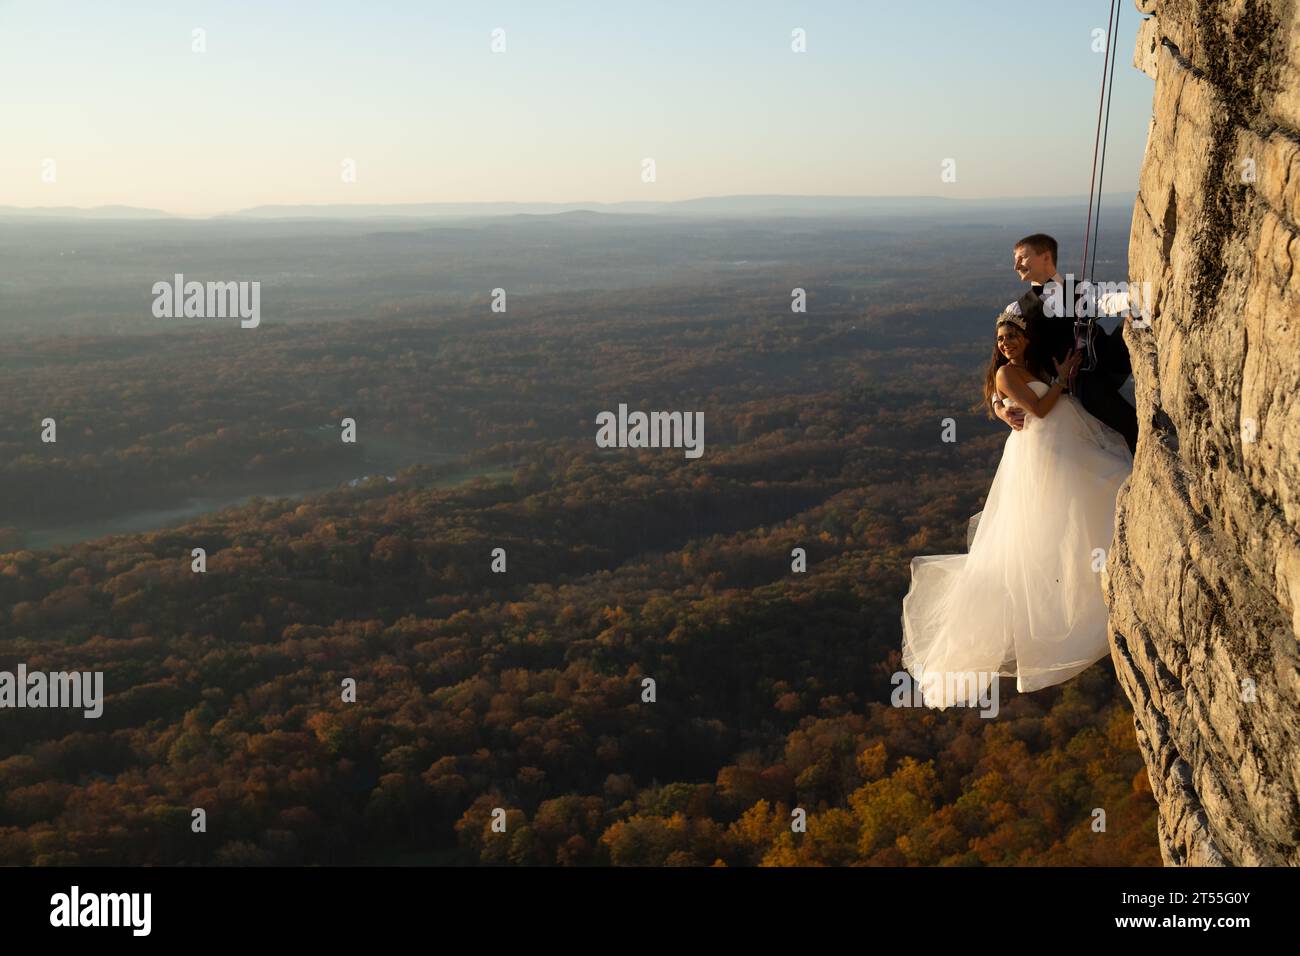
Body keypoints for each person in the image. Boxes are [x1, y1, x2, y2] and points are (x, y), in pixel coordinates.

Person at [900, 309, 1133, 708]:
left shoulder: (1030, 365)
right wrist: (1057, 380)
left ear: (1025, 338)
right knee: (1097, 496)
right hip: (1046, 452)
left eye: (1011, 336)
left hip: (1059, 446)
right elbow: (1039, 410)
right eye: (1001, 339)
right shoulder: (1008, 373)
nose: (1005, 343)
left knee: (1089, 505)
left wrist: (1056, 376)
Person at [995, 233, 1139, 453]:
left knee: (1137, 317)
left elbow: (1107, 301)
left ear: (1045, 258)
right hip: (1079, 383)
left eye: (1022, 258)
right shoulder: (1016, 310)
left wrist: (1137, 298)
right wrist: (999, 408)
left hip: (1109, 362)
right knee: (1130, 425)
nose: (1016, 265)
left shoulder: (1080, 290)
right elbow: (1000, 364)